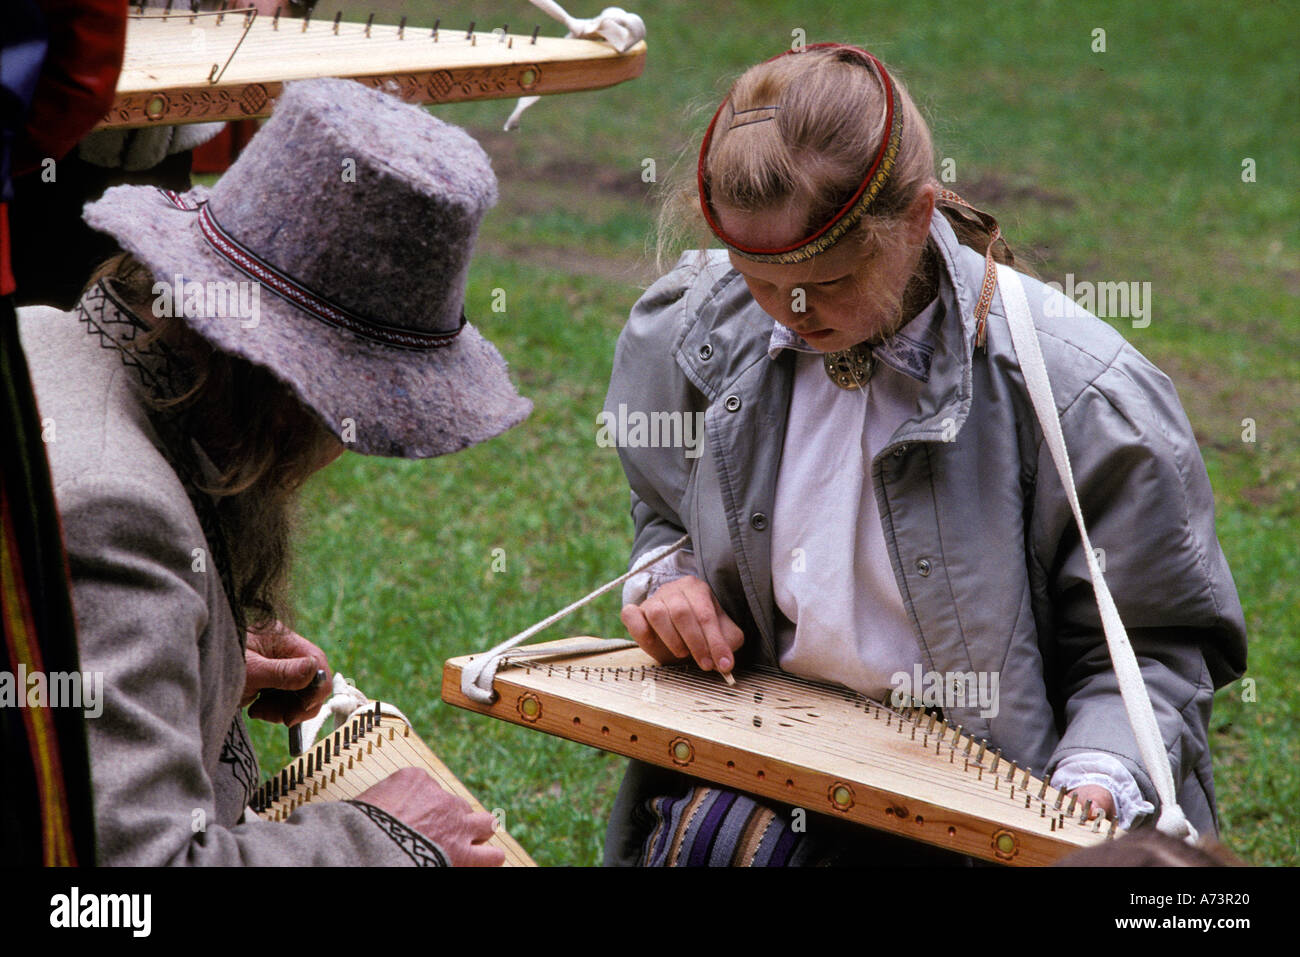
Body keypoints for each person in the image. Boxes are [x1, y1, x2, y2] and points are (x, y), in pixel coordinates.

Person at [602, 43, 1247, 866]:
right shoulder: (696, 329)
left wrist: (1092, 778)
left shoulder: (1080, 393)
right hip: (777, 757)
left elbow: (1154, 648)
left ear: (917, 218)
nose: (790, 312)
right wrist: (669, 581)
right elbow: (663, 514)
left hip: (997, 787)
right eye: (760, 280)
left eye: (828, 280)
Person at [16, 76, 531, 865]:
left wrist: (203, 661)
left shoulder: (40, 344)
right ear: (289, 396)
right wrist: (380, 840)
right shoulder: (120, 515)